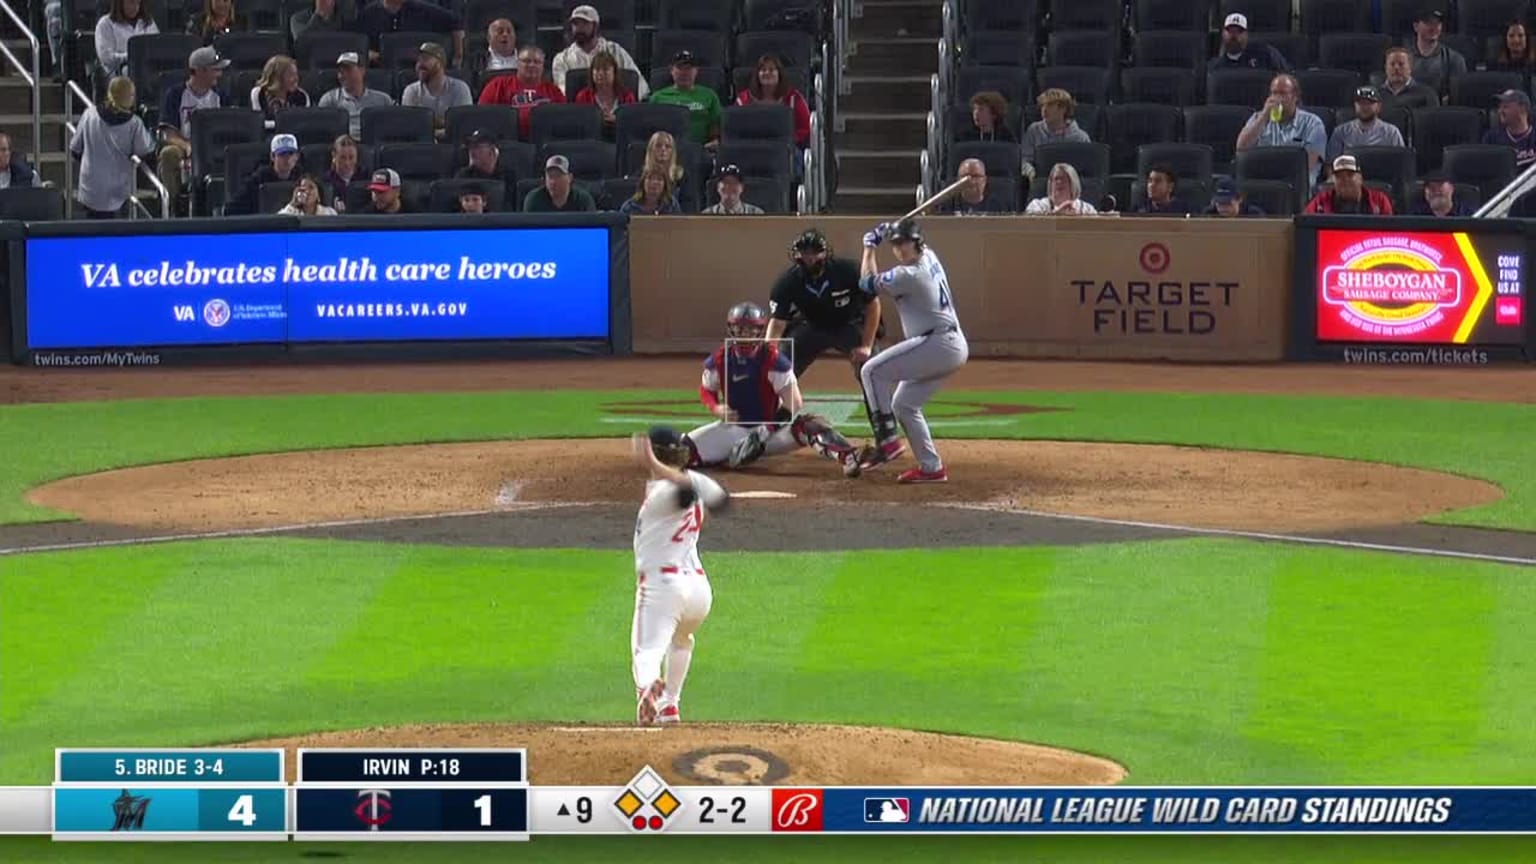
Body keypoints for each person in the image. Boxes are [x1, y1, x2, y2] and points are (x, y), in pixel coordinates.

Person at [679, 303, 863, 475]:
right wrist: (716, 408)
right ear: (731, 329)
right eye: (740, 329)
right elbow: (707, 390)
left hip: (771, 432)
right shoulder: (719, 360)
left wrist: (765, 431)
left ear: (760, 330)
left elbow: (794, 402)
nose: (745, 335)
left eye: (751, 329)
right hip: (734, 429)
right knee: (681, 451)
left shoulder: (773, 360)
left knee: (812, 425)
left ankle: (848, 456)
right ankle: (723, 456)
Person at [628, 425, 731, 726]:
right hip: (698, 591)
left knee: (646, 651)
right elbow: (722, 501)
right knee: (682, 639)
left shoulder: (664, 490)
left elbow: (683, 492)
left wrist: (653, 465)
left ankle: (649, 690)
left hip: (663, 588)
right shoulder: (698, 481)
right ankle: (670, 704)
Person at [854, 218, 969, 484]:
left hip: (938, 344)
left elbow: (866, 284)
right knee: (904, 405)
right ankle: (932, 468)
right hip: (948, 345)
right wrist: (893, 230)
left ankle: (888, 442)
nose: (899, 249)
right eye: (896, 244)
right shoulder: (930, 255)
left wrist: (870, 247)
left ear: (917, 243)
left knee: (871, 371)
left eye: (904, 243)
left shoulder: (909, 275)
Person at [764, 227, 881, 383]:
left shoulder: (848, 271)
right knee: (778, 366)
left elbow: (873, 305)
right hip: (811, 326)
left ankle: (879, 407)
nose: (810, 258)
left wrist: (867, 345)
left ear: (825, 253)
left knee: (873, 367)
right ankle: (777, 405)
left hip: (849, 324)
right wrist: (768, 354)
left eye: (815, 252)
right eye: (805, 253)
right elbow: (778, 322)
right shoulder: (788, 281)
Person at [69, 76, 156, 218]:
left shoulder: (89, 114)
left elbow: (75, 149)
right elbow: (146, 151)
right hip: (118, 192)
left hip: (90, 188)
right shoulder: (134, 124)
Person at [156, 46, 228, 217]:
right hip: (183, 144)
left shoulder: (221, 96)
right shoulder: (175, 95)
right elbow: (169, 134)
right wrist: (188, 146)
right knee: (168, 154)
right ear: (200, 71)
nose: (220, 74)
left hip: (214, 148)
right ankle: (175, 206)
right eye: (215, 70)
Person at [1235, 73, 1327, 192]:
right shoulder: (1258, 118)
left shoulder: (1313, 123)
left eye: (1282, 93)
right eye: (1274, 93)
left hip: (1296, 183)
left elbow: (1308, 164)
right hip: (1263, 181)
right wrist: (1264, 116)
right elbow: (1241, 148)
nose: (1276, 98)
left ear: (1295, 97)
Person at [551, 4, 647, 99]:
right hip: (579, 110)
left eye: (585, 23)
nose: (579, 28)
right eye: (575, 24)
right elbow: (563, 92)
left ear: (595, 26)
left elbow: (639, 84)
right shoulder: (562, 59)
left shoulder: (615, 51)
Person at [478, 45, 565, 140]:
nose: (532, 65)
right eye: (527, 61)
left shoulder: (553, 90)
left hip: (545, 141)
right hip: (508, 142)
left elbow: (564, 120)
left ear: (543, 66)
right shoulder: (497, 85)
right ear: (517, 64)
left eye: (537, 62)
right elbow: (483, 116)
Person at [734, 54, 811, 149]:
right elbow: (735, 128)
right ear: (757, 74)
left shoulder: (794, 98)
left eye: (771, 70)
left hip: (785, 149)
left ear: (779, 74)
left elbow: (805, 128)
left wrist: (790, 140)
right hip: (751, 148)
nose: (767, 73)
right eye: (763, 70)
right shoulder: (743, 100)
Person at [355, 0, 464, 67]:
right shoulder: (368, 14)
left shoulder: (422, 10)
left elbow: (455, 22)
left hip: (417, 68)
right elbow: (357, 44)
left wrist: (458, 56)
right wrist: (368, 53)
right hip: (381, 68)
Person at [649, 50, 722, 148]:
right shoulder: (658, 97)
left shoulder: (709, 95)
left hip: (702, 149)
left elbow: (716, 124)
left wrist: (714, 141)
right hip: (667, 150)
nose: (684, 72)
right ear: (671, 70)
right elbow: (651, 129)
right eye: (680, 68)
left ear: (696, 71)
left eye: (689, 68)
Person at [401, 41, 473, 136]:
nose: (419, 65)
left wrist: (429, 122)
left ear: (440, 63)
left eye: (425, 59)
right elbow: (411, 126)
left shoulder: (460, 88)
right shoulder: (411, 91)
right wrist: (443, 123)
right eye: (418, 61)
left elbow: (462, 124)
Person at [318, 52, 395, 139]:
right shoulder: (329, 100)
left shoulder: (383, 100)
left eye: (348, 70)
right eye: (340, 71)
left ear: (362, 70)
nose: (343, 75)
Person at [226, 133, 305, 215]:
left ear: (297, 156)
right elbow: (231, 209)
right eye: (282, 154)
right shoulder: (258, 180)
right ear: (272, 157)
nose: (287, 159)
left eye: (291, 154)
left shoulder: (303, 178)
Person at [1020, 88, 1090, 178]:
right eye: (1043, 106)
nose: (1044, 110)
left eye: (1050, 105)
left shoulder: (1081, 138)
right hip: (1041, 180)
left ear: (1063, 108)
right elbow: (1025, 159)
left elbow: (1087, 168)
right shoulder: (1034, 130)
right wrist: (1030, 172)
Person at [1326, 86, 1405, 162]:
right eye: (1361, 103)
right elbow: (1330, 164)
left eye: (1369, 103)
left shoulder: (1392, 133)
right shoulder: (1340, 132)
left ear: (1379, 106)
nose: (1364, 107)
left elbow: (1401, 162)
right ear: (1355, 105)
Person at [572, 50, 636, 141]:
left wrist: (618, 121)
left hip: (620, 140)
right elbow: (579, 124)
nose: (601, 73)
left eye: (605, 69)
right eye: (597, 70)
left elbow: (633, 124)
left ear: (614, 73)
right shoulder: (583, 96)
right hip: (591, 142)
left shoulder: (627, 96)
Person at [1304, 155, 1394, 214]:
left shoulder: (1379, 200)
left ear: (1360, 178)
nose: (1345, 180)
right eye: (1339, 176)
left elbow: (1390, 231)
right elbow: (1305, 224)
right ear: (1333, 180)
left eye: (1350, 175)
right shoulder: (1320, 201)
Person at [1407, 7, 1467, 96]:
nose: (1433, 27)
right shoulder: (1404, 58)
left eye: (1437, 23)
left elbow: (1457, 94)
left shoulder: (1455, 59)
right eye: (1428, 23)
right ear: (1416, 27)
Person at [94, 0, 158, 80]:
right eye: (131, 2)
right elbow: (106, 57)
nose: (135, 7)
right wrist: (130, 56)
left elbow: (157, 48)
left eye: (138, 3)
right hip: (117, 76)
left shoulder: (148, 22)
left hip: (146, 70)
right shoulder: (105, 24)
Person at [1207, 12, 1289, 72]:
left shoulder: (1266, 55)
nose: (1234, 35)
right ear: (1223, 34)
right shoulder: (1214, 67)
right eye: (1230, 31)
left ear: (1246, 35)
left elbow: (1287, 75)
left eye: (1239, 31)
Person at [455, 130, 517, 205]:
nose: (471, 151)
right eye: (470, 147)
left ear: (492, 151)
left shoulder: (509, 177)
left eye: (477, 147)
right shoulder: (463, 176)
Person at [522, 154, 596, 212]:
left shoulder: (583, 200)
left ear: (570, 178)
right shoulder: (534, 200)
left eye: (558, 176)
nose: (553, 181)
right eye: (550, 176)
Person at [1483, 89, 1536, 169]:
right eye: (1499, 107)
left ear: (1522, 108)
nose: (1500, 111)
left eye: (1505, 107)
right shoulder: (1491, 138)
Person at [251, 55, 310, 121]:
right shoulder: (259, 93)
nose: (296, 79)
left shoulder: (302, 96)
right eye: (291, 75)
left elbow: (304, 123)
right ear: (277, 77)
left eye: (296, 74)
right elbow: (258, 122)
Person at [940, 158, 1010, 214]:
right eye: (965, 176)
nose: (971, 181)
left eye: (976, 176)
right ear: (958, 180)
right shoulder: (946, 206)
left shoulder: (997, 206)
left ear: (984, 180)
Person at [1025, 162, 1098, 214]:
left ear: (1073, 183)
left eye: (1063, 179)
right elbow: (1031, 227)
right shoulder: (1037, 205)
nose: (1059, 182)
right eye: (1056, 179)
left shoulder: (1087, 209)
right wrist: (1056, 215)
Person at [319, 133, 361, 211]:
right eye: (342, 158)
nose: (347, 163)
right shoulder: (324, 181)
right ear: (334, 156)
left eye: (351, 157)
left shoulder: (366, 177)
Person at [1409, 170, 1474, 216]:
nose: (1436, 191)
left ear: (1451, 188)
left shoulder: (1468, 216)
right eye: (1431, 187)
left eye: (1440, 186)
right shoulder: (1416, 216)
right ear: (1425, 193)